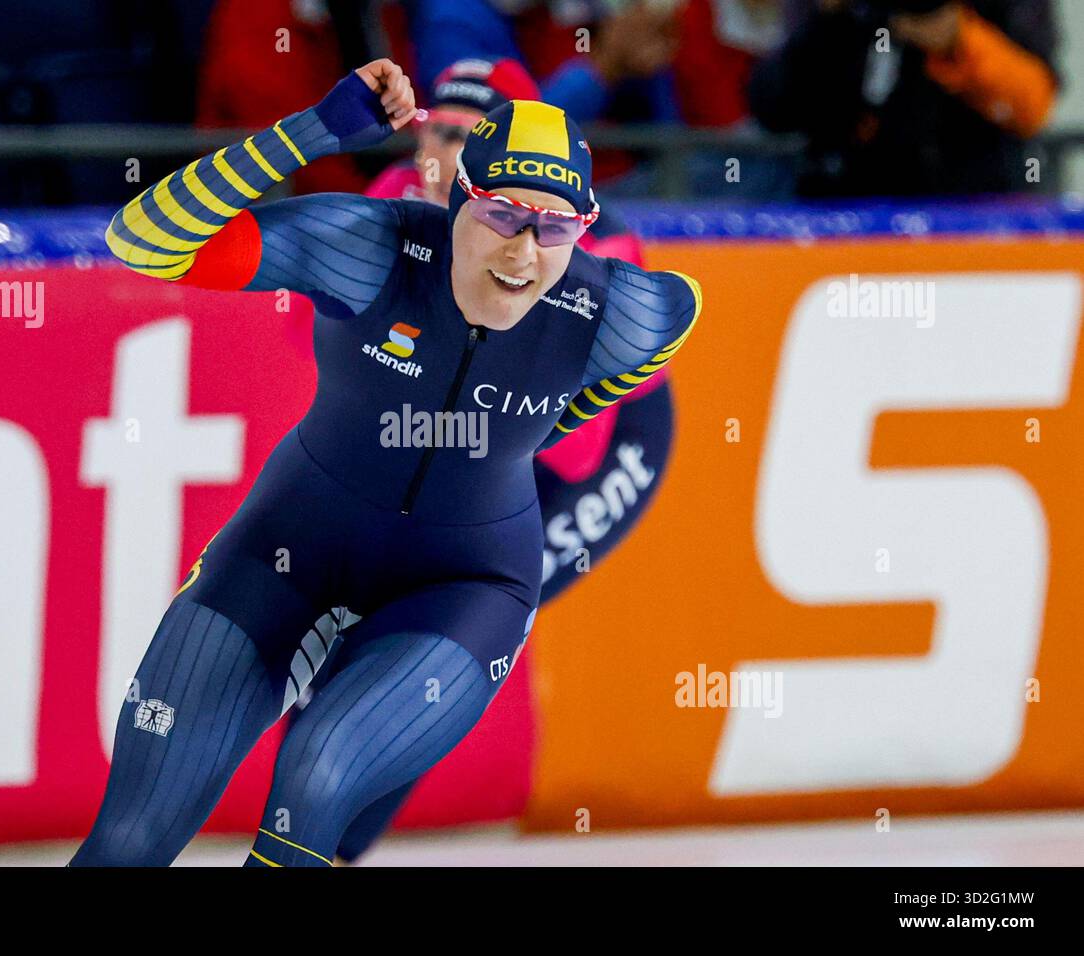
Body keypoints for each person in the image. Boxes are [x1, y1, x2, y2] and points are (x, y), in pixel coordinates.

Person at [71, 58, 701, 867]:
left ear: (583, 227)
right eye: (505, 216)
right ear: (456, 199)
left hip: (465, 581)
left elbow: (678, 318)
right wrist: (314, 130)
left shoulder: (619, 304)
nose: (524, 251)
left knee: (318, 772)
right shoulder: (369, 246)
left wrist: (540, 423)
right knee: (128, 837)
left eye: (553, 228)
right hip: (289, 546)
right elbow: (141, 240)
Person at [295, 55, 678, 864]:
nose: (441, 155)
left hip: (579, 458)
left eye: (469, 138)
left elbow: (597, 424)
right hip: (452, 445)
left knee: (405, 663)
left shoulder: (592, 251)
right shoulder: (389, 210)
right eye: (435, 131)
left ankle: (332, 849)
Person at [749, 0, 1059, 197]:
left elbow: (1033, 109)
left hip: (976, 215)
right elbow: (773, 108)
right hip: (848, 215)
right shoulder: (835, 16)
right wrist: (827, 21)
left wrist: (960, 41)